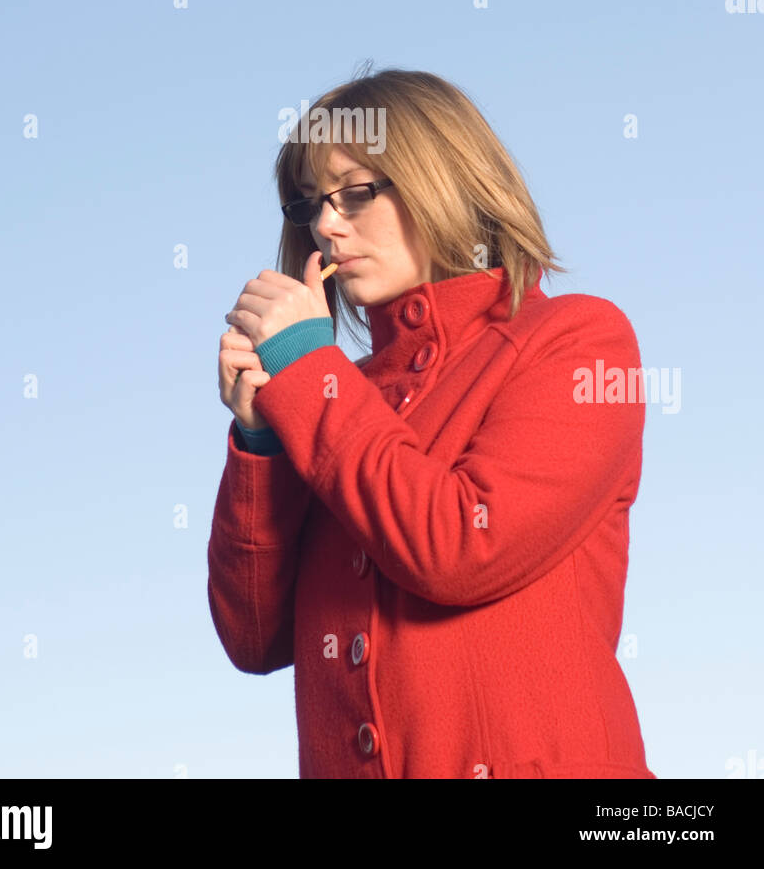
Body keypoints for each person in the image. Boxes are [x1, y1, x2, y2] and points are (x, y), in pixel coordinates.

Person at [207, 66, 656, 780]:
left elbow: (459, 548)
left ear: (443, 178)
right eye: (307, 205)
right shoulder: (326, 391)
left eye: (355, 192)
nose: (326, 223)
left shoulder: (579, 341)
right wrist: (260, 438)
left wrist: (306, 372)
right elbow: (254, 638)